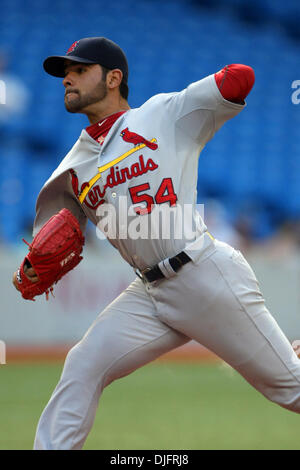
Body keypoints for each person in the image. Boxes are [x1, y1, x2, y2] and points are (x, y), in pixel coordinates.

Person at [12, 37, 300, 450]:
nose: (67, 79)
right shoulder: (72, 168)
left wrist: (209, 89)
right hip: (148, 292)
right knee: (83, 364)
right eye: (64, 73)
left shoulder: (165, 114)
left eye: (78, 70)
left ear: (114, 78)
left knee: (292, 391)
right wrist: (40, 259)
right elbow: (54, 238)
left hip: (204, 274)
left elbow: (241, 79)